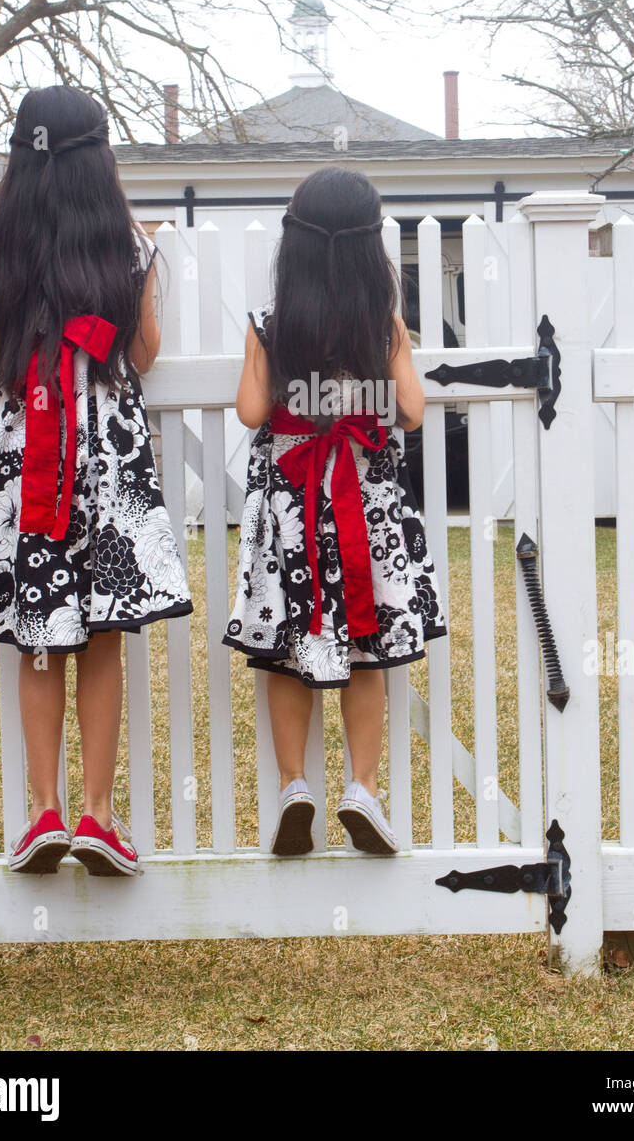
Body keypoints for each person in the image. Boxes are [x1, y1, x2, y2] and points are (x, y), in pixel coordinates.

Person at [0, 86, 192, 876]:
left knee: (34, 636)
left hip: (22, 452)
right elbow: (140, 356)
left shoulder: (1, 245)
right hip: (103, 458)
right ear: (99, 158)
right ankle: (98, 816)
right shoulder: (131, 247)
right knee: (102, 629)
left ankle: (42, 810)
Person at [224, 164, 446, 855]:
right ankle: (362, 787)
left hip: (289, 515)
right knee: (368, 649)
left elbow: (250, 410)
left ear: (292, 244)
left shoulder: (271, 324)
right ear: (367, 248)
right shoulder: (380, 326)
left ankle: (294, 785)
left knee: (286, 655)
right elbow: (409, 411)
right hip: (363, 515)